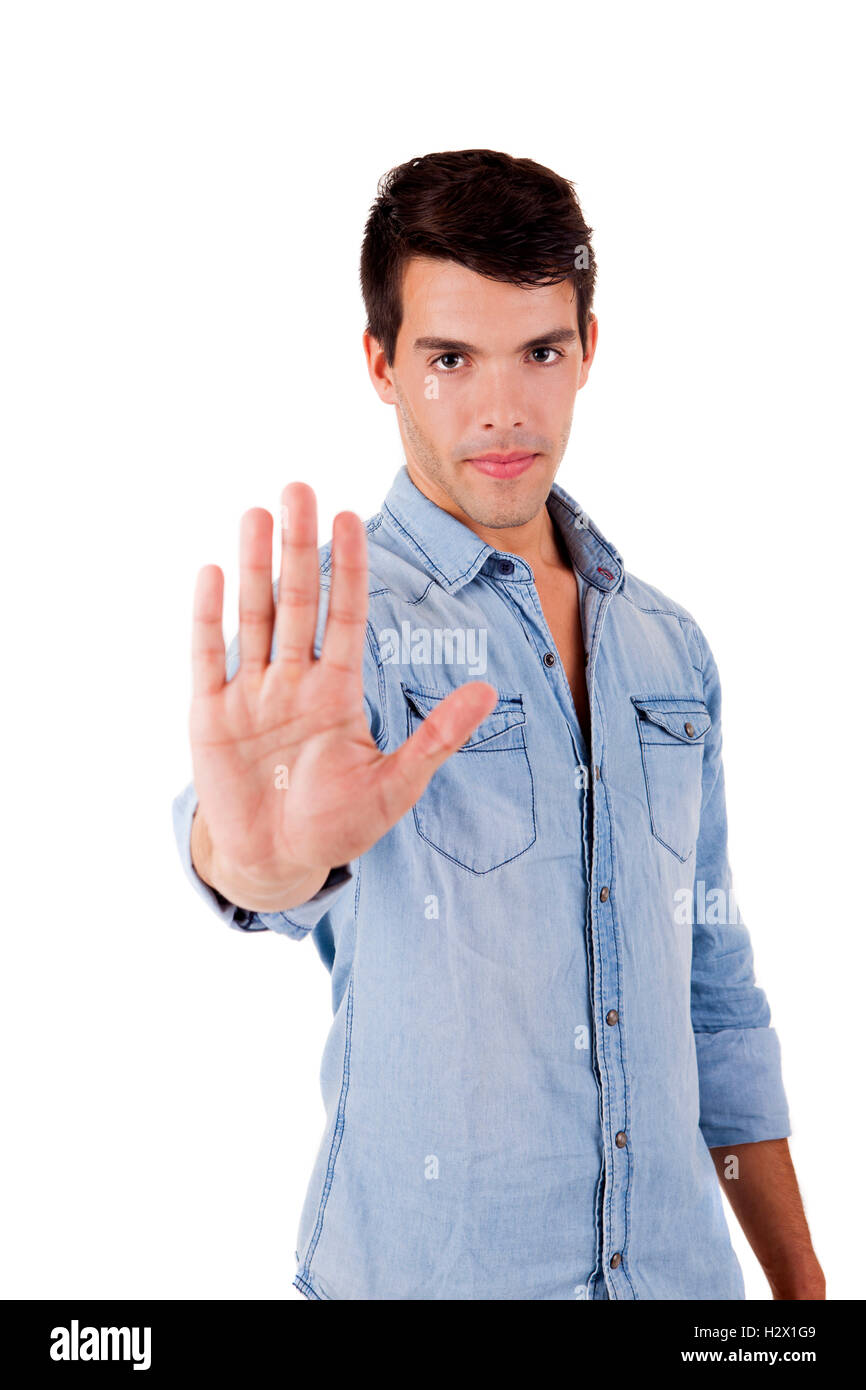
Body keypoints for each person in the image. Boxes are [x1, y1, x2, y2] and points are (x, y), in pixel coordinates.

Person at [172, 150, 824, 1301]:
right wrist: (256, 863)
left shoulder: (667, 645)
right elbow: (245, 842)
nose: (501, 408)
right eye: (447, 358)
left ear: (587, 350)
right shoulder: (335, 633)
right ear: (379, 364)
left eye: (539, 351)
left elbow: (712, 991)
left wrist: (799, 1285)